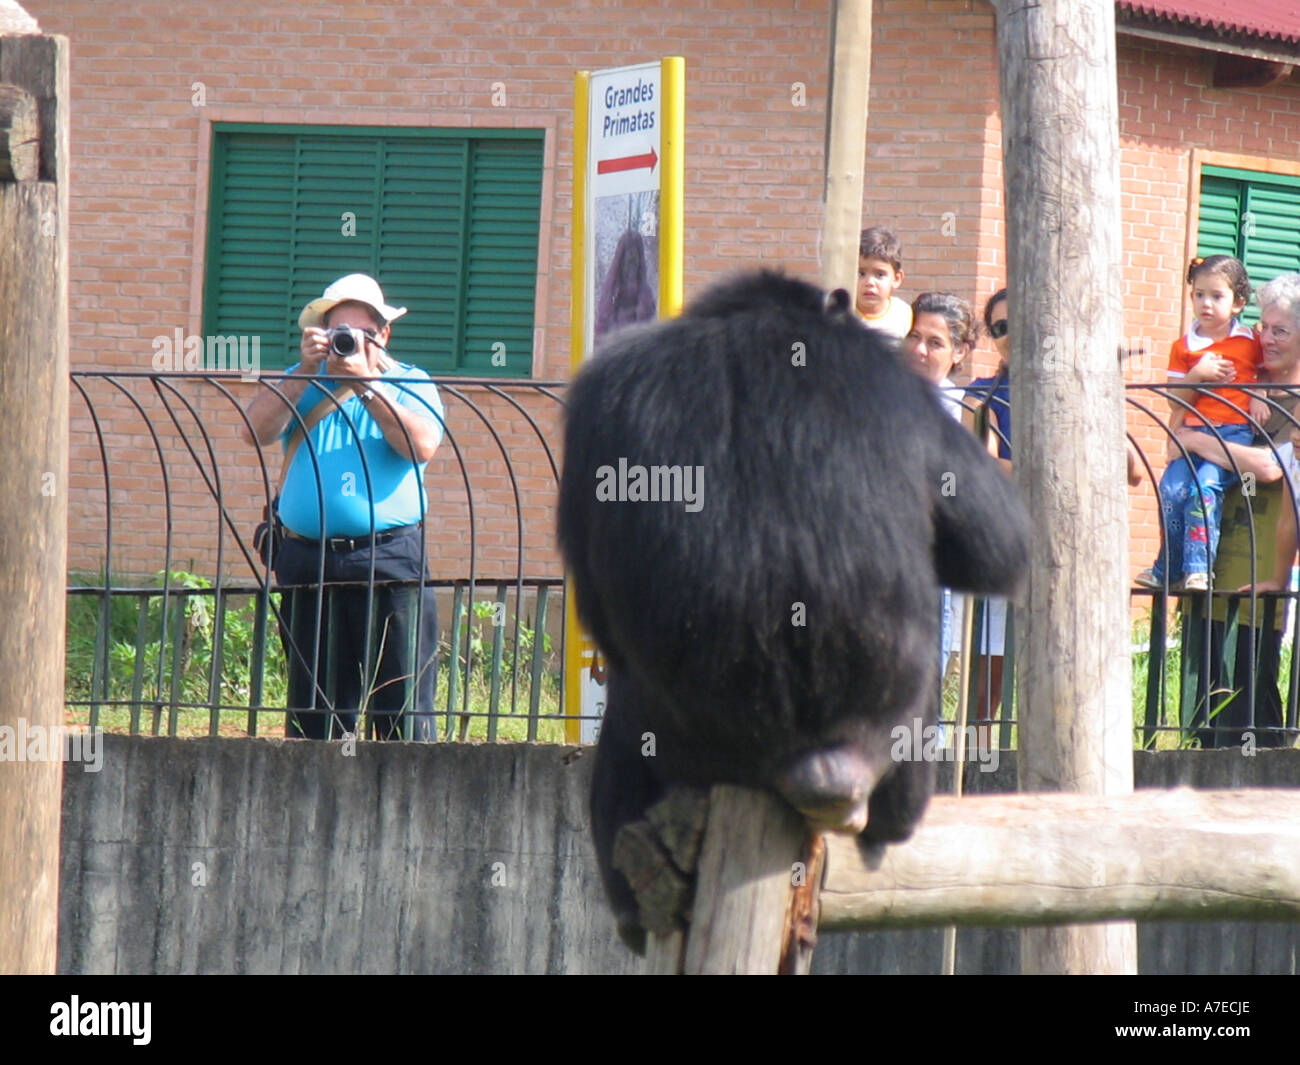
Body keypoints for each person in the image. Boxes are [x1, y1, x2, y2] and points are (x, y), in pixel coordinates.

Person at [242, 274, 445, 741]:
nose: (348, 342)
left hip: (389, 562)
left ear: (383, 334)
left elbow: (420, 446)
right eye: (338, 332)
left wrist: (367, 386)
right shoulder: (301, 382)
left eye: (359, 332)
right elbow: (253, 431)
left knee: (403, 709)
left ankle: (404, 798)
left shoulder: (411, 381)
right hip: (310, 562)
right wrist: (303, 373)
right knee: (316, 712)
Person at [1173, 271, 1300, 749]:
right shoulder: (1246, 382)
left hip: (1262, 553)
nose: (1266, 339)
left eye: (1281, 330)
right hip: (1212, 546)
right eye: (1264, 327)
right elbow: (1174, 424)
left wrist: (1196, 440)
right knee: (1200, 674)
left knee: (1250, 676)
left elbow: (1269, 466)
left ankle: (1262, 779)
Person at [1136, 255, 1265, 592]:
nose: (1206, 303)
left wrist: (1259, 393)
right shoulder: (1183, 347)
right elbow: (1173, 397)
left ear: (1238, 303)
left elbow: (1266, 370)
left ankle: (1198, 568)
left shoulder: (1249, 340)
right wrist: (1197, 375)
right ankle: (1166, 567)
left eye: (1216, 296)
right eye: (1199, 294)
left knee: (1203, 490)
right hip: (1193, 431)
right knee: (1171, 490)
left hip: (1232, 433)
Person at [901, 292, 977, 734]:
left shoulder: (964, 408)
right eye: (913, 337)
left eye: (934, 342)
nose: (919, 350)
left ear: (959, 352)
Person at [966, 288, 1013, 736]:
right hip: (1002, 539)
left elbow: (1129, 469)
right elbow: (983, 468)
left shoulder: (1080, 391)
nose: (1010, 335)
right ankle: (980, 752)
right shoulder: (982, 393)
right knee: (992, 656)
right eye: (999, 328)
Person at [854, 226, 911, 339]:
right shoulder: (842, 314)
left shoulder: (903, 314)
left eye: (880, 275)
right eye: (861, 274)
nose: (869, 282)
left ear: (896, 279)